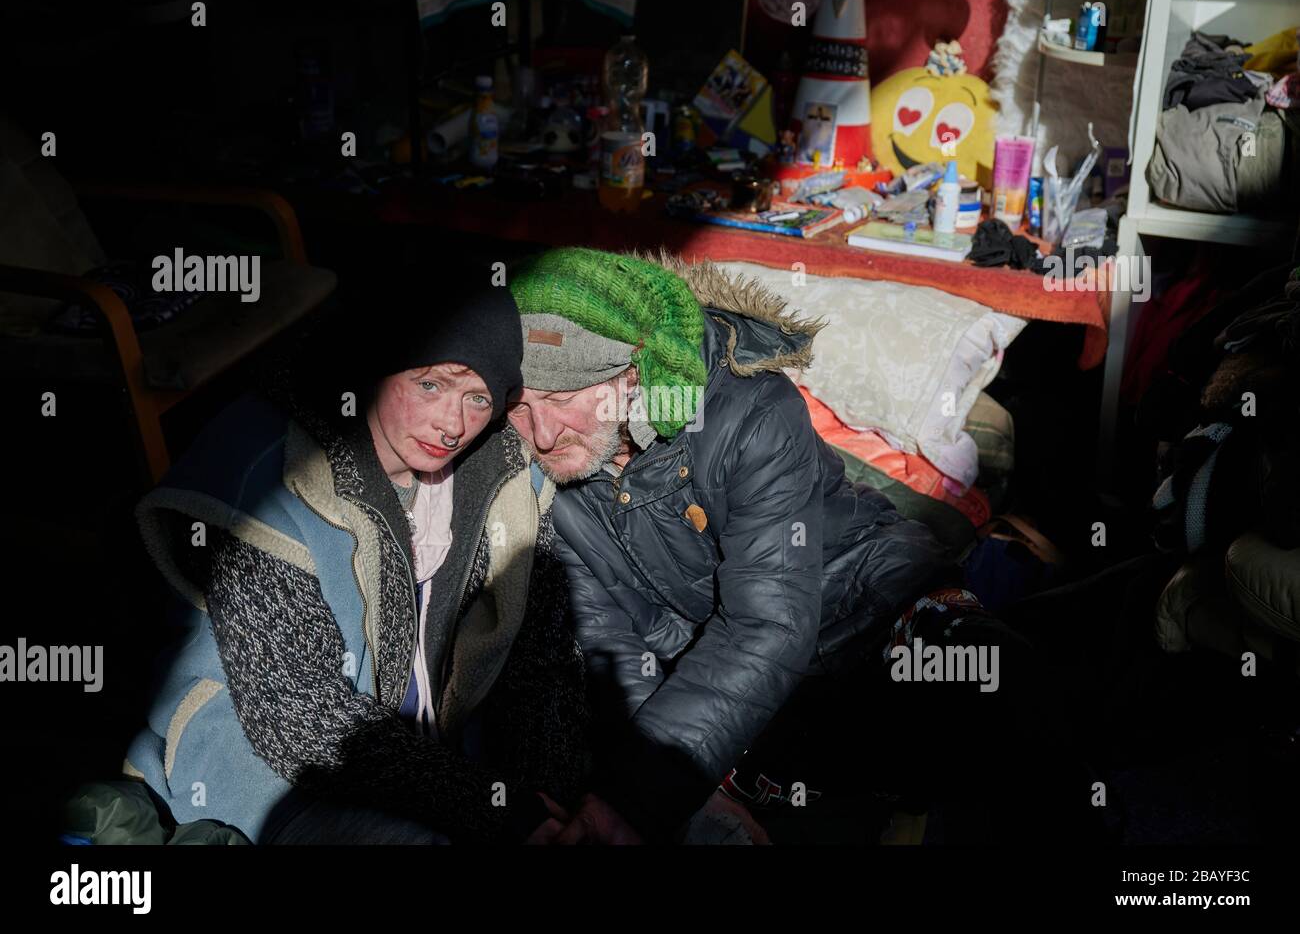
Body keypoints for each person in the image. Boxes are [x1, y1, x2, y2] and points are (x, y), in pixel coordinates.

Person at [506, 247, 1102, 844]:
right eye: (521, 407)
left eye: (561, 399)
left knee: (999, 684)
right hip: (740, 678)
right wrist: (667, 789)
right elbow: (614, 648)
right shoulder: (552, 482)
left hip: (862, 605)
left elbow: (767, 624)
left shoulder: (751, 412)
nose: (543, 434)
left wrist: (633, 801)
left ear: (630, 373)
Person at [125, 276, 588, 844]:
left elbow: (539, 666)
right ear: (378, 363)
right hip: (268, 777)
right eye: (429, 384)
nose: (452, 423)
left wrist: (551, 806)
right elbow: (299, 714)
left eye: (477, 398)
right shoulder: (264, 476)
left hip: (433, 765)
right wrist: (489, 809)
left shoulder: (502, 480)